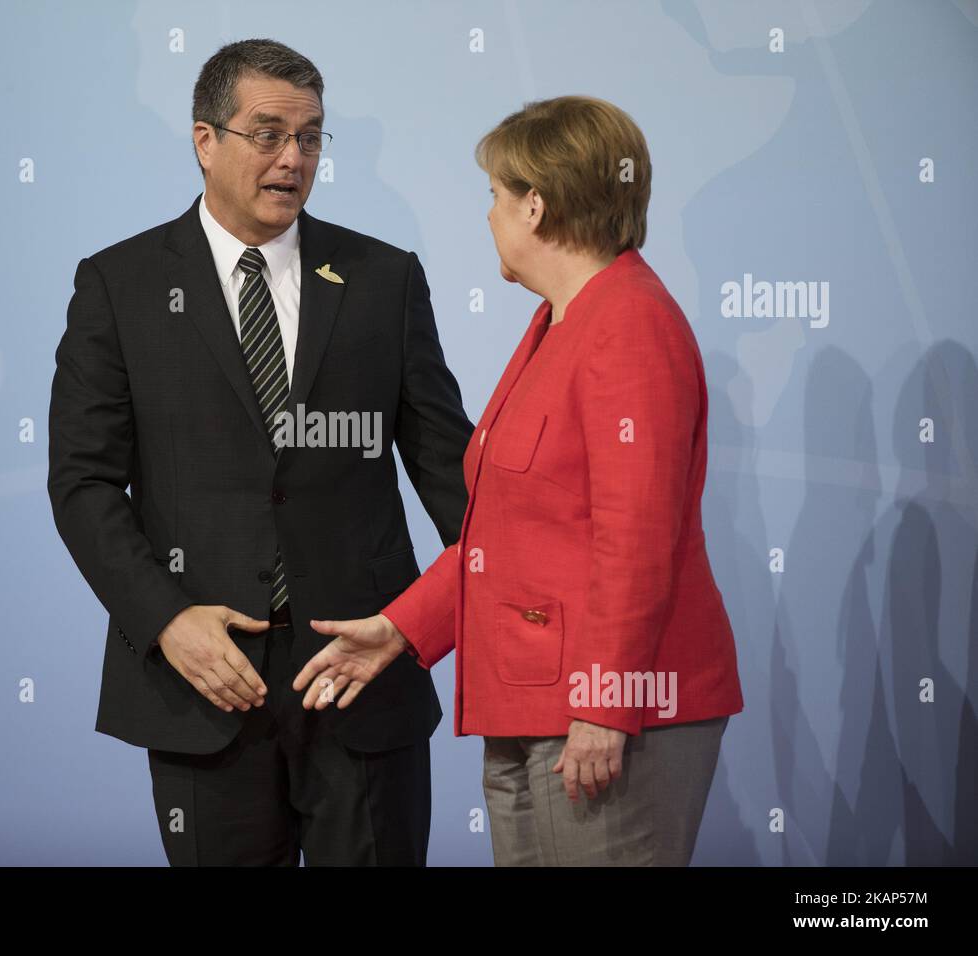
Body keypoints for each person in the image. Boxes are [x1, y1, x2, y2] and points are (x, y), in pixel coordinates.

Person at [46, 38, 473, 865]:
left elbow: (454, 479)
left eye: (311, 137)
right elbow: (83, 483)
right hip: (206, 685)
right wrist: (165, 622)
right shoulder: (120, 284)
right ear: (205, 141)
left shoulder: (384, 278)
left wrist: (449, 620)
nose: (293, 158)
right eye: (268, 133)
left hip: (360, 675)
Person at [293, 96, 745, 866]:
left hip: (605, 718)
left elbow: (636, 537)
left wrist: (606, 701)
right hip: (534, 707)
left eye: (496, 196)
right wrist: (401, 630)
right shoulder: (560, 323)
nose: (490, 216)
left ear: (535, 205)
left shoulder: (629, 323)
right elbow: (500, 535)